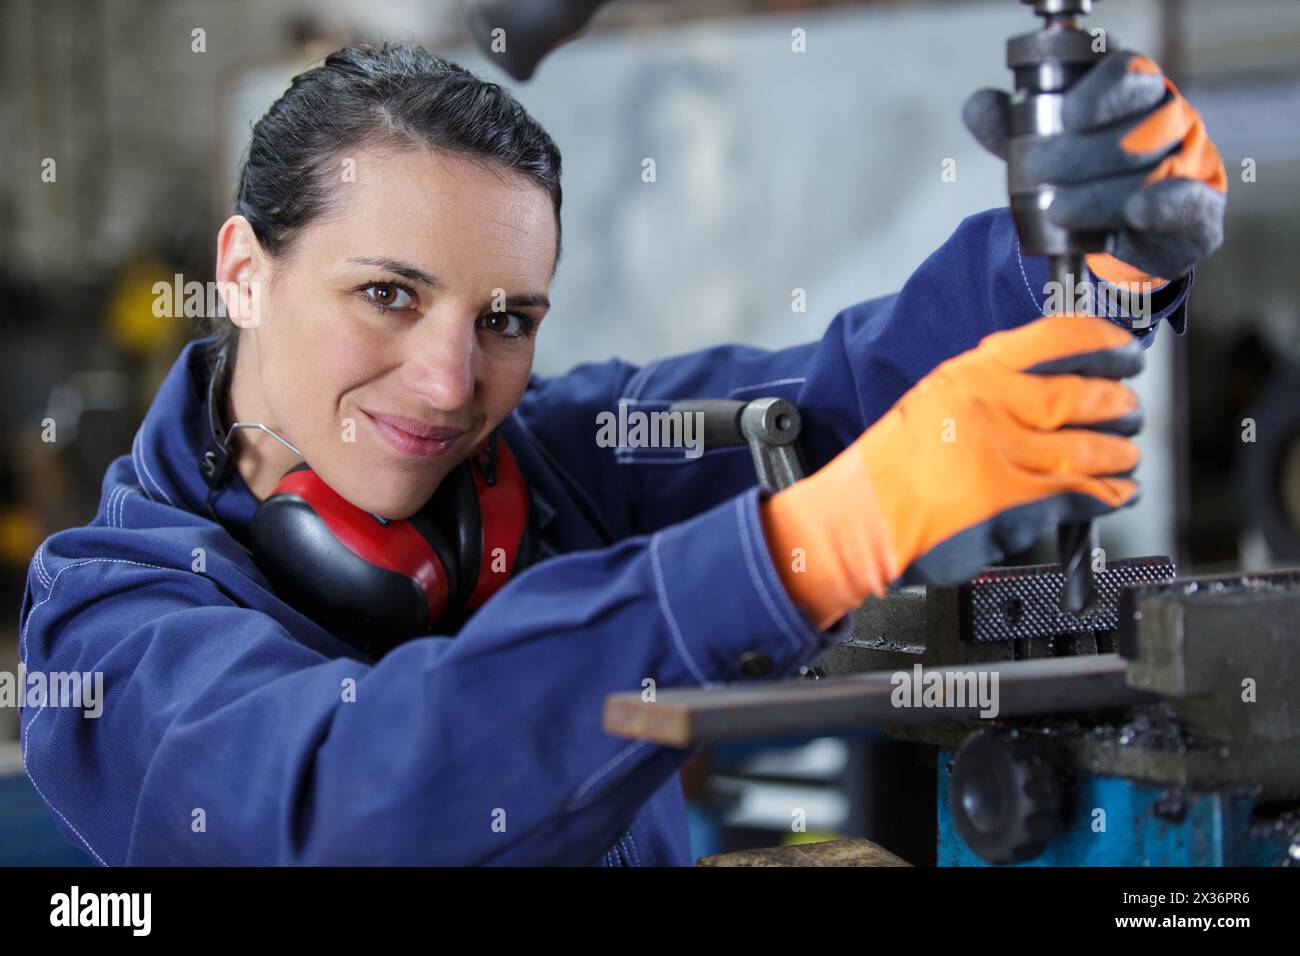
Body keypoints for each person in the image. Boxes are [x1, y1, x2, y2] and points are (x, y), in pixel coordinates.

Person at [19, 43, 1225, 865]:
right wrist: (807, 546)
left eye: (504, 320)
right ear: (240, 270)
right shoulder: (108, 622)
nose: (450, 384)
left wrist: (1088, 258)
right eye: (387, 293)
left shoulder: (545, 459)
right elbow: (340, 805)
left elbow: (844, 393)